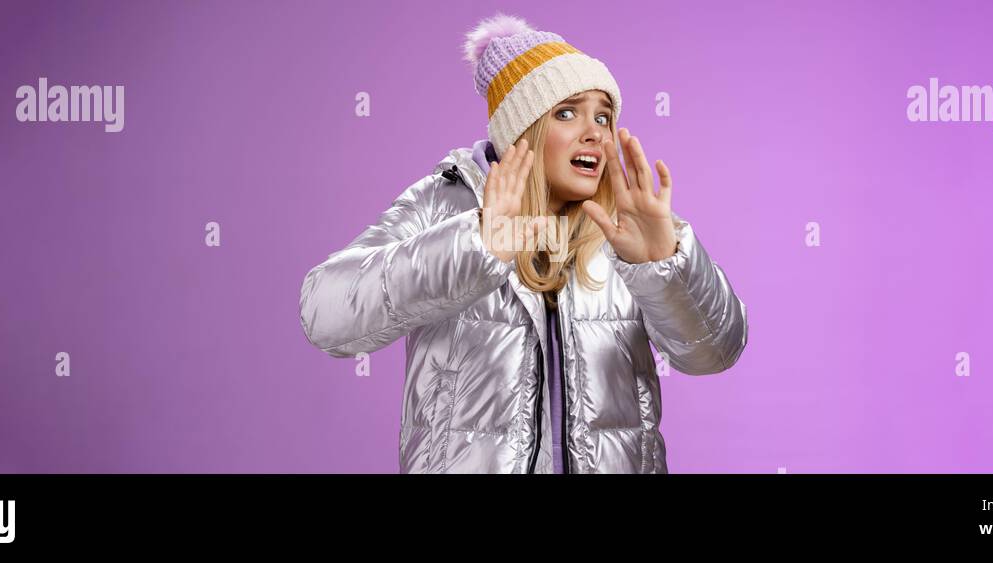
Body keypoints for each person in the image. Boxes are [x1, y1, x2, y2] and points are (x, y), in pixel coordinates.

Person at [299, 14, 749, 473]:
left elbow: (715, 353)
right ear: (523, 129)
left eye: (604, 115)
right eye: (567, 112)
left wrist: (665, 266)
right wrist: (474, 247)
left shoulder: (630, 228)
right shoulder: (446, 202)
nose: (594, 131)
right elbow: (325, 315)